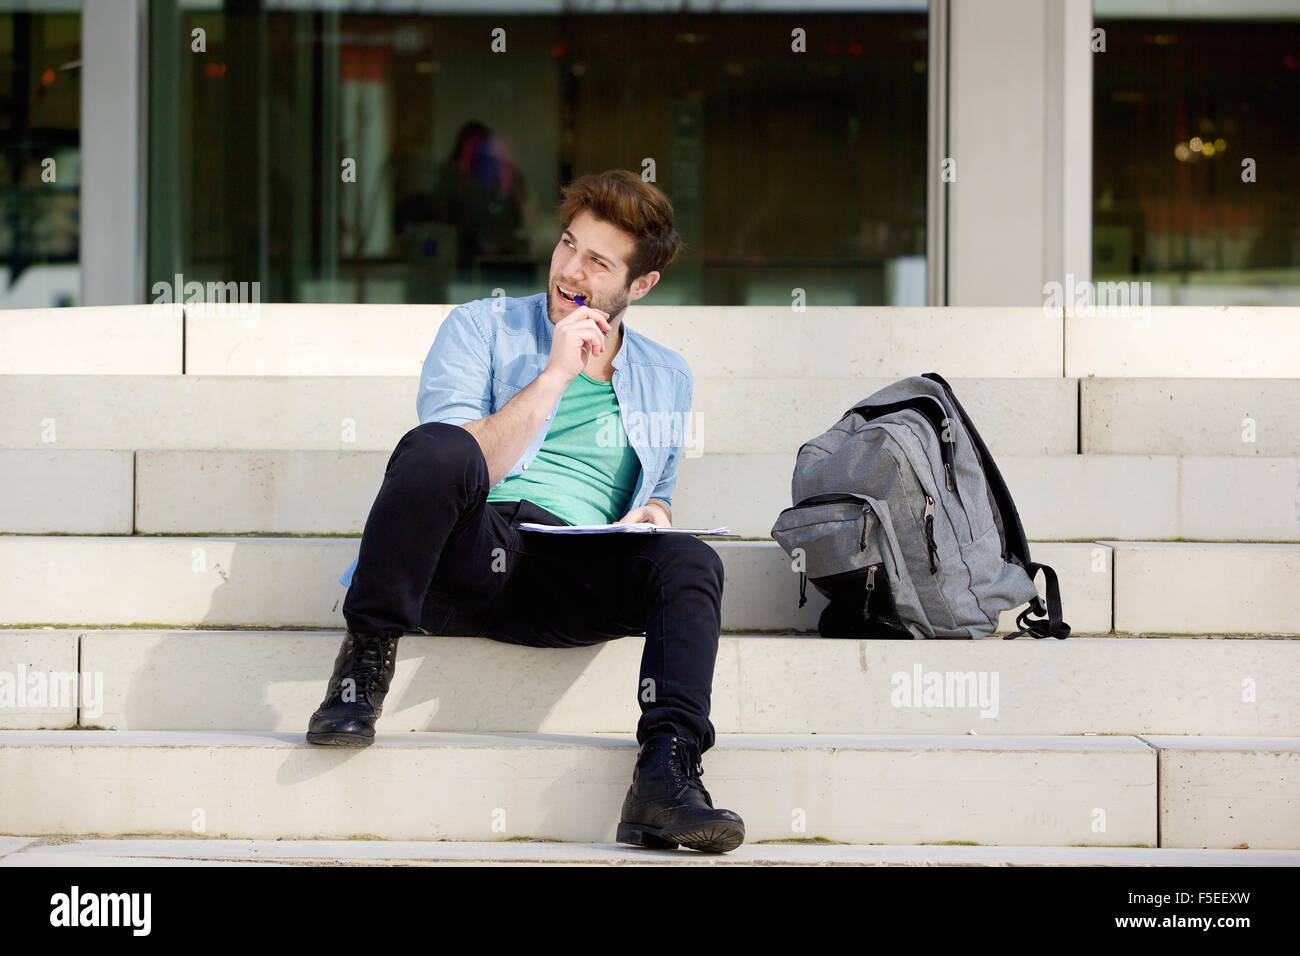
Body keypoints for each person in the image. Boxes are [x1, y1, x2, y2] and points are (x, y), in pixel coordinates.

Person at [306, 170, 744, 854]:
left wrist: (652, 513)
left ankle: (666, 774)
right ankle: (364, 663)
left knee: (691, 559)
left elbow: (657, 486)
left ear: (640, 286)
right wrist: (554, 375)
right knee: (436, 448)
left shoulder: (668, 376)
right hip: (466, 557)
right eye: (568, 244)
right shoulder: (481, 327)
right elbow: (446, 464)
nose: (571, 270)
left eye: (598, 262)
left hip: (568, 572)